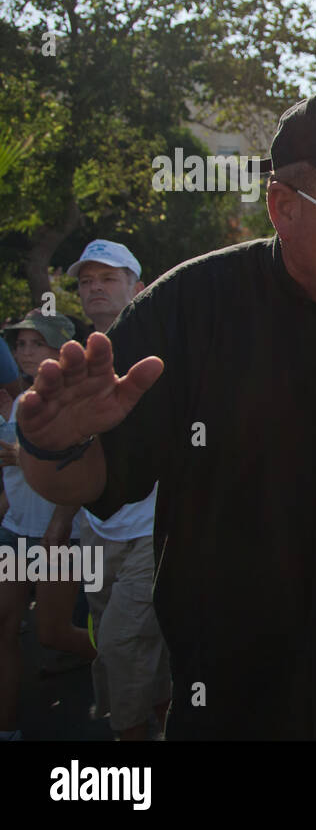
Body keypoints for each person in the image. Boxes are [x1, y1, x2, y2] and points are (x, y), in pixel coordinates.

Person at [16, 87, 316, 739]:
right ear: (284, 208)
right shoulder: (184, 311)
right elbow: (92, 480)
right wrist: (52, 447)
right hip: (233, 710)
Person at [42, 240, 170, 740]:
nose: (94, 287)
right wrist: (60, 521)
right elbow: (72, 451)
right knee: (117, 644)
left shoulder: (161, 355)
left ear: (138, 287)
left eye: (108, 278)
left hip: (152, 528)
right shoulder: (71, 364)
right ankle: (160, 722)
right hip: (96, 529)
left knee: (122, 643)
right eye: (85, 280)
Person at [1, 313, 91, 741]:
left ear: (60, 351)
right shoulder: (17, 404)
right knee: (4, 625)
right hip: (16, 533)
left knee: (52, 633)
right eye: (20, 345)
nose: (25, 352)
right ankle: (8, 729)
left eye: (37, 344)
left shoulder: (74, 401)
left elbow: (81, 471)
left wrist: (60, 521)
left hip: (59, 536)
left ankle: (132, 657)